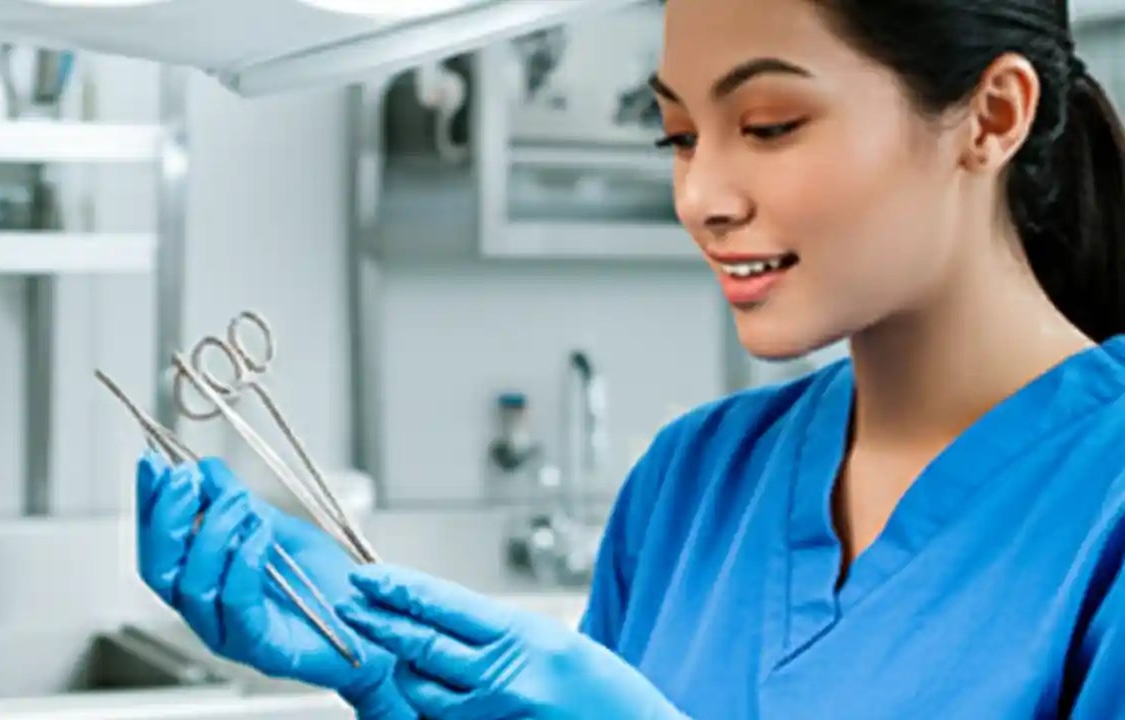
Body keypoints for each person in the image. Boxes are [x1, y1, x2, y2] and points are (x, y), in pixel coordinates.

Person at [134, 0, 1125, 717]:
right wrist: (388, 678)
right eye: (679, 137)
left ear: (990, 116)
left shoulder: (1103, 511)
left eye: (768, 126)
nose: (700, 197)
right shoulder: (692, 483)